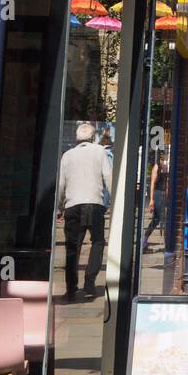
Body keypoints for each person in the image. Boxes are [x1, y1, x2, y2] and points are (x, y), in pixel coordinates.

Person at [57, 122, 113, 303]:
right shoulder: (100, 152)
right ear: (93, 137)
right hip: (94, 204)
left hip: (73, 205)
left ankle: (71, 289)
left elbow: (61, 185)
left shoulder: (67, 156)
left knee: (73, 247)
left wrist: (59, 208)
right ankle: (90, 281)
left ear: (76, 138)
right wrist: (113, 201)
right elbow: (109, 177)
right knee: (97, 242)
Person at [142, 154, 169, 253]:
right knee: (164, 219)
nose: (164, 162)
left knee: (156, 219)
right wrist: (151, 199)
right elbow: (152, 183)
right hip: (158, 194)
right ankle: (168, 245)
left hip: (164, 195)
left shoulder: (166, 168)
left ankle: (144, 240)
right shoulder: (156, 167)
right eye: (163, 159)